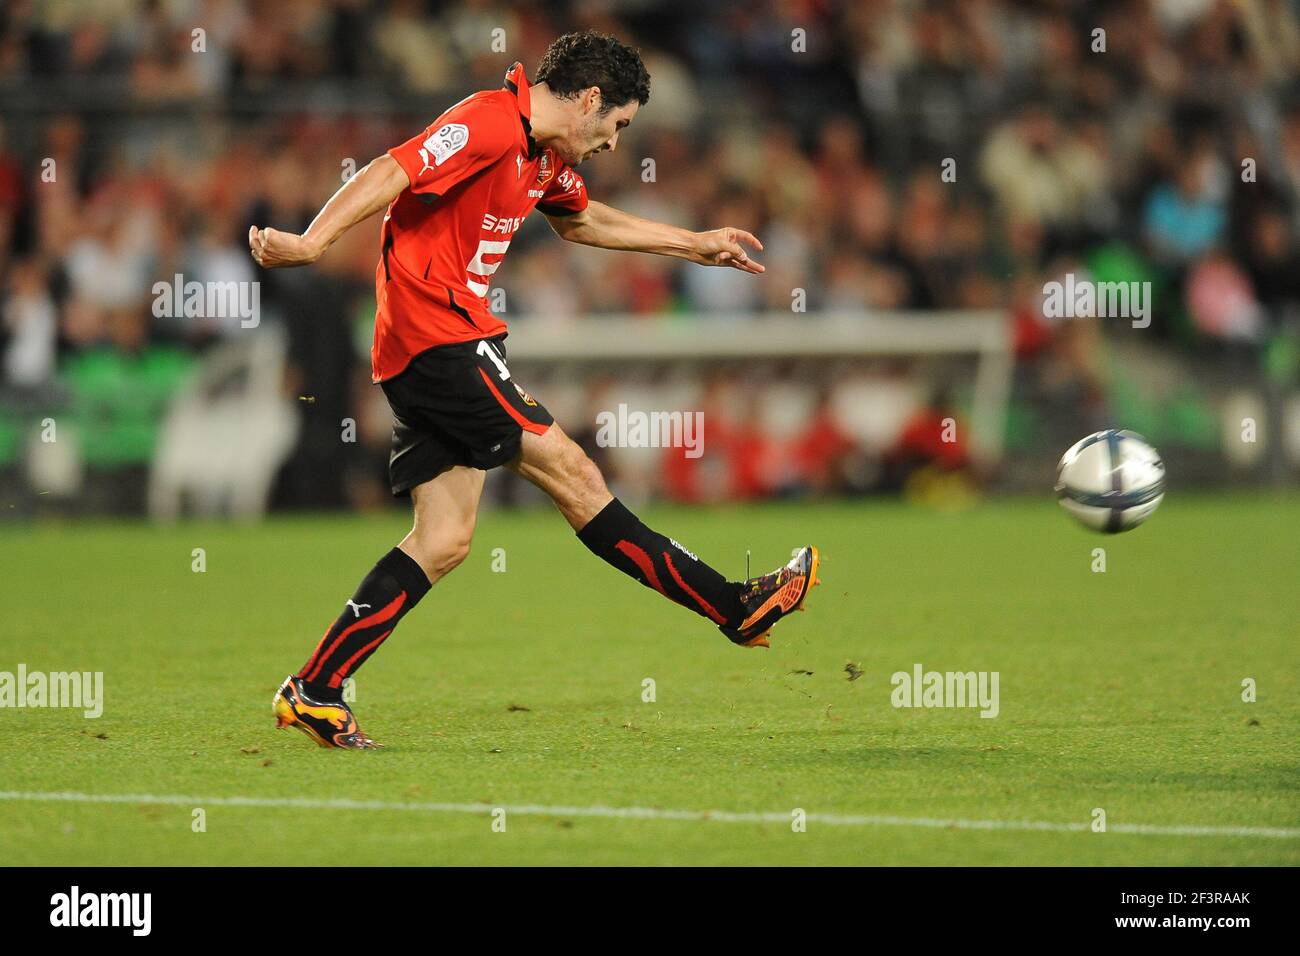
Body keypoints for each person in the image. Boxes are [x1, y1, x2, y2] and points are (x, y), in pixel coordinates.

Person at [250, 32, 819, 749]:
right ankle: (735, 605)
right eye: (618, 124)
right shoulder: (488, 122)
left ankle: (315, 689)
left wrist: (692, 241)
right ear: (589, 100)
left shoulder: (546, 156)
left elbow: (583, 221)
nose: (616, 143)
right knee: (574, 473)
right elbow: (391, 170)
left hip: (430, 348)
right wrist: (312, 242)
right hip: (440, 341)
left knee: (445, 538)